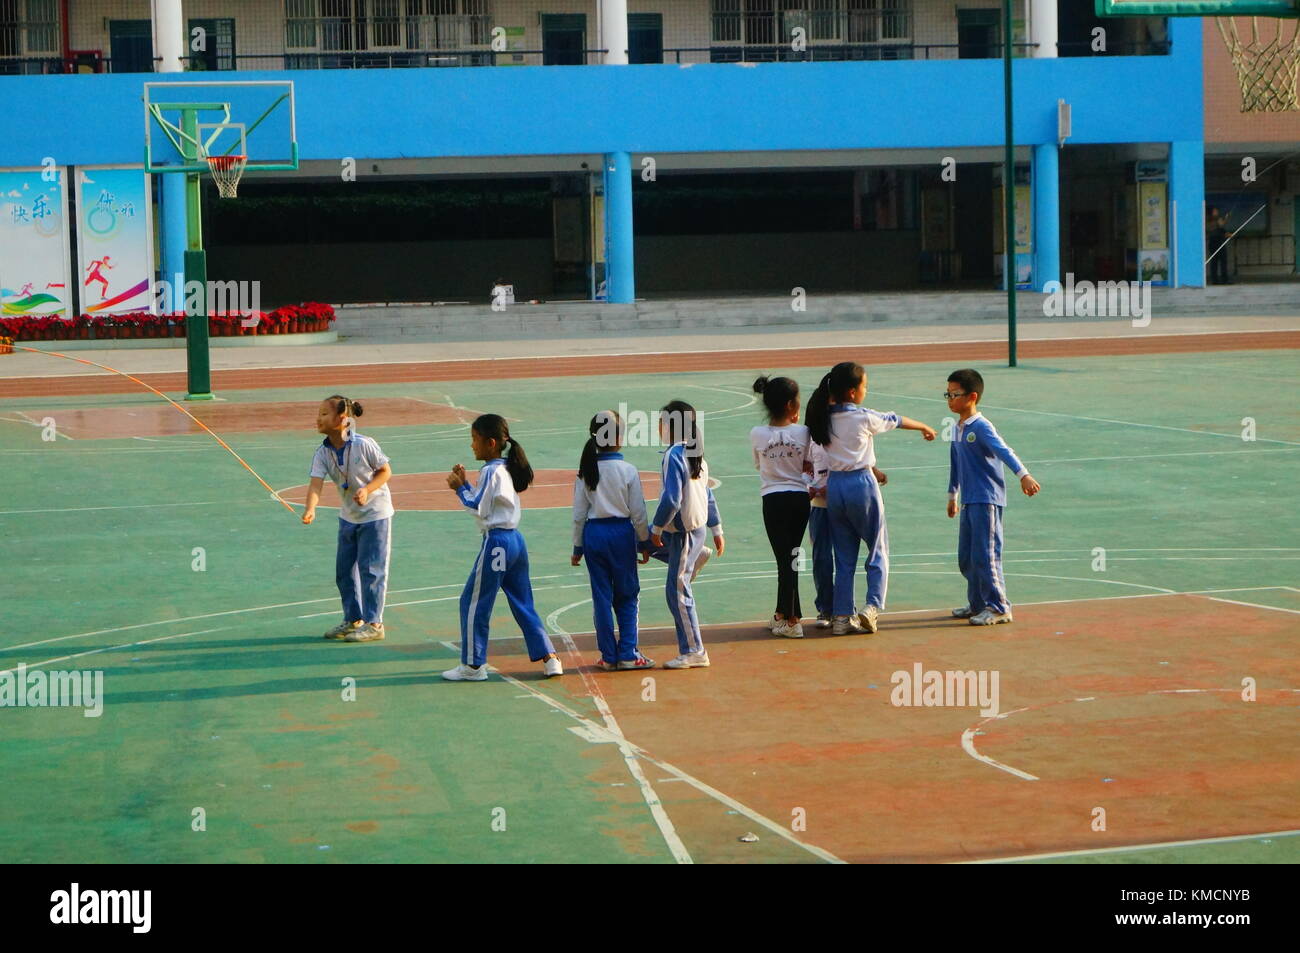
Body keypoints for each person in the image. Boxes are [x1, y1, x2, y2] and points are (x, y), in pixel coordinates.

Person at [806, 362, 936, 636]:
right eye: (865, 385)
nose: (867, 389)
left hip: (836, 487)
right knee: (877, 547)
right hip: (862, 483)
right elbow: (896, 419)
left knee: (844, 556)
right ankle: (872, 607)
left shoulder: (822, 418)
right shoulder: (863, 417)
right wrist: (924, 426)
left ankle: (842, 616)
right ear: (853, 392)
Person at [444, 414, 563, 681]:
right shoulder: (506, 468)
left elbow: (479, 506)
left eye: (475, 439)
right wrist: (465, 483)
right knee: (523, 602)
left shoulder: (490, 470)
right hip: (516, 542)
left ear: (492, 443)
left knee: (474, 601)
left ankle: (473, 665)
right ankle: (550, 657)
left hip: (497, 542)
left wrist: (459, 488)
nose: (472, 445)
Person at [944, 368, 1041, 625]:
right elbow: (956, 464)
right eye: (948, 394)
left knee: (986, 555)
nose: (950, 399)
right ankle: (977, 604)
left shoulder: (982, 427)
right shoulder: (957, 428)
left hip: (987, 499)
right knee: (967, 557)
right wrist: (953, 494)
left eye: (955, 394)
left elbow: (1004, 450)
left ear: (972, 396)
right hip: (968, 501)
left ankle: (999, 607)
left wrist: (1024, 475)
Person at [303, 395, 394, 643]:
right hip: (348, 517)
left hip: (375, 516)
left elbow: (386, 471)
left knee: (371, 570)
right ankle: (353, 619)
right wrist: (311, 509)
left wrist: (368, 489)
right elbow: (315, 485)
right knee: (343, 572)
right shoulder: (322, 452)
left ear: (342, 419)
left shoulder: (364, 444)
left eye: (323, 413)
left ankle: (375, 623)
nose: (318, 418)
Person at [572, 410, 654, 670]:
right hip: (620, 534)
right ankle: (628, 652)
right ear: (619, 436)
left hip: (593, 534)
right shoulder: (627, 470)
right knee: (628, 594)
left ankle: (608, 655)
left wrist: (577, 546)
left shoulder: (586, 470)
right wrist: (644, 542)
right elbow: (639, 512)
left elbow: (578, 514)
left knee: (601, 597)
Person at [649, 400, 723, 669]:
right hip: (697, 531)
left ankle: (694, 650)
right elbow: (708, 495)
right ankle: (696, 555)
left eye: (660, 422)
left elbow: (671, 499)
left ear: (669, 425)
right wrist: (717, 529)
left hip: (683, 533)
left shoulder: (674, 455)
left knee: (677, 591)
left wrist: (657, 528)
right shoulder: (697, 454)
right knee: (636, 539)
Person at [750, 376, 813, 638]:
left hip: (773, 499)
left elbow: (758, 464)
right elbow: (809, 464)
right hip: (799, 499)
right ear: (791, 405)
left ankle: (792, 619)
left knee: (783, 560)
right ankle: (782, 613)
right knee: (793, 558)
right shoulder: (804, 432)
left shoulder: (757, 433)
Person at [1206, 207, 1231, 285]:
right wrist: (1226, 219)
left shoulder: (1207, 220)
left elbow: (1220, 227)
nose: (1217, 212)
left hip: (1213, 242)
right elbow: (1221, 226)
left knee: (1215, 262)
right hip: (1217, 242)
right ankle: (1224, 280)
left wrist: (1226, 219)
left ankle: (1215, 280)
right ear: (1211, 212)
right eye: (1215, 211)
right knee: (1221, 261)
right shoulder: (1213, 220)